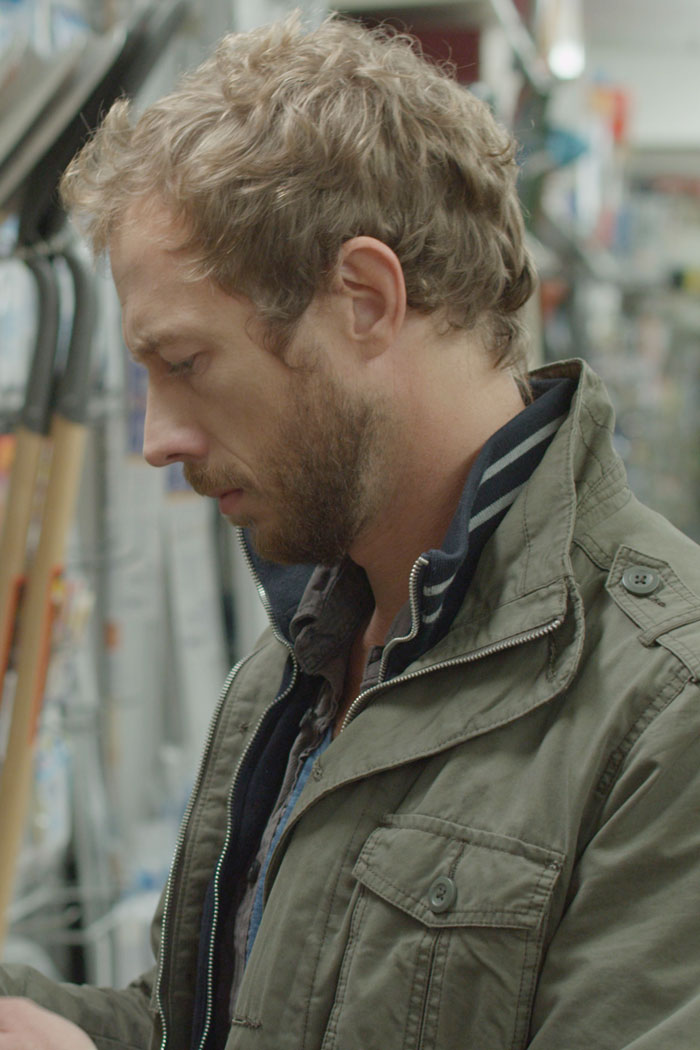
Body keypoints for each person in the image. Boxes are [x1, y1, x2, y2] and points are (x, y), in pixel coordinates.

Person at [1, 12, 700, 1050]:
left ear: (366, 299)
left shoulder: (662, 712)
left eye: (185, 364)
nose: (157, 440)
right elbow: (213, 1018)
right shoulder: (308, 648)